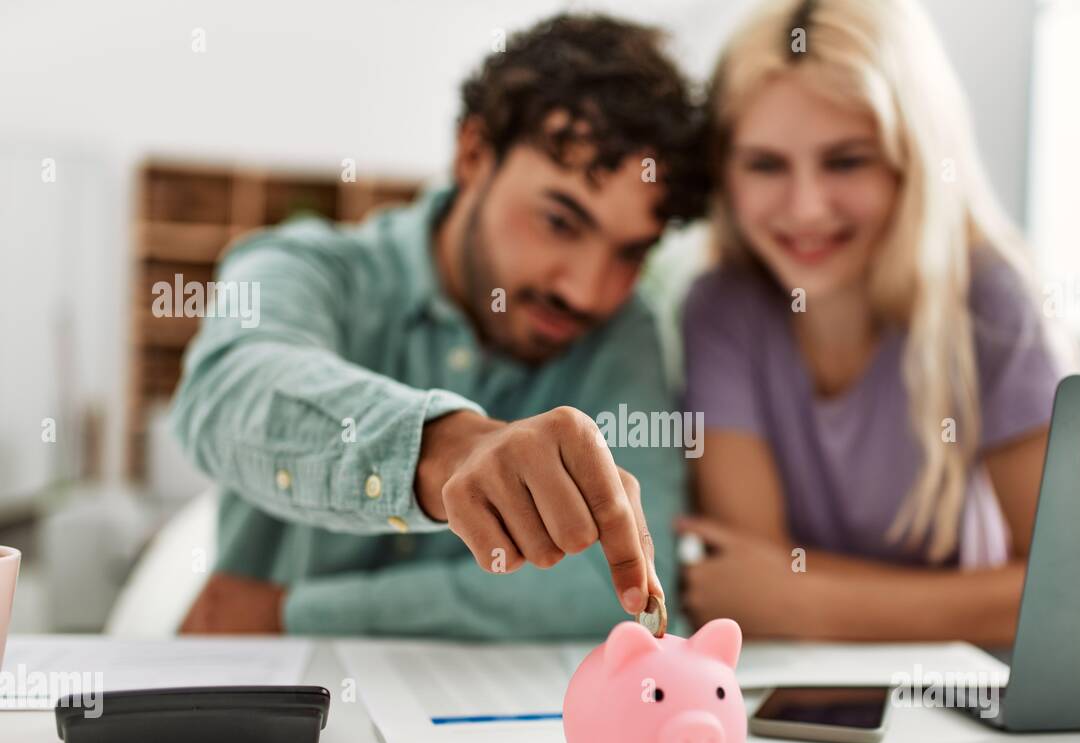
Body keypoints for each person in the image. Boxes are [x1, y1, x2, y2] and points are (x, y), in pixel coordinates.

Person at [169, 14, 706, 638]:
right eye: (560, 221)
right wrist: (447, 446)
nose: (585, 290)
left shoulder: (621, 330)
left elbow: (624, 587)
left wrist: (288, 613)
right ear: (472, 154)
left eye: (630, 253)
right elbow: (226, 391)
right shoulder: (305, 268)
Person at [679, 0, 1066, 645]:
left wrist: (808, 602)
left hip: (962, 698)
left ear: (913, 163)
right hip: (795, 691)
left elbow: (1066, 588)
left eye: (848, 160)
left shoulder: (990, 297)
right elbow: (741, 581)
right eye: (765, 165)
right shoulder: (721, 309)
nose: (806, 208)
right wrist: (978, 597)